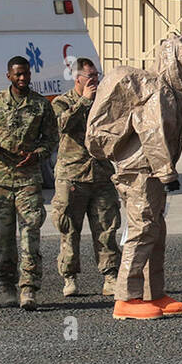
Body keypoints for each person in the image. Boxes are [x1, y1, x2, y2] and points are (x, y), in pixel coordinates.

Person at [85, 35, 182, 320]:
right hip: (141, 171)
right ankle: (126, 298)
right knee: (142, 230)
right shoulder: (158, 91)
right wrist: (166, 172)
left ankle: (153, 293)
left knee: (154, 230)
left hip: (144, 171)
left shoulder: (166, 91)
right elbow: (153, 133)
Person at [0, 56, 59, 310]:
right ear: (8, 76)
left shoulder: (40, 105)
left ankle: (28, 288)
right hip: (0, 179)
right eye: (17, 74)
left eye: (26, 74)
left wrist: (37, 155)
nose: (22, 78)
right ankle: (6, 284)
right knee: (3, 236)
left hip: (28, 179)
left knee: (30, 233)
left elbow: (51, 140)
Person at [50, 58, 120, 298]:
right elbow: (60, 126)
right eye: (90, 77)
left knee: (106, 228)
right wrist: (83, 102)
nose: (94, 81)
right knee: (69, 228)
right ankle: (70, 278)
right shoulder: (62, 102)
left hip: (101, 175)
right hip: (73, 177)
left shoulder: (103, 102)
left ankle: (110, 276)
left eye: (96, 76)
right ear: (77, 78)